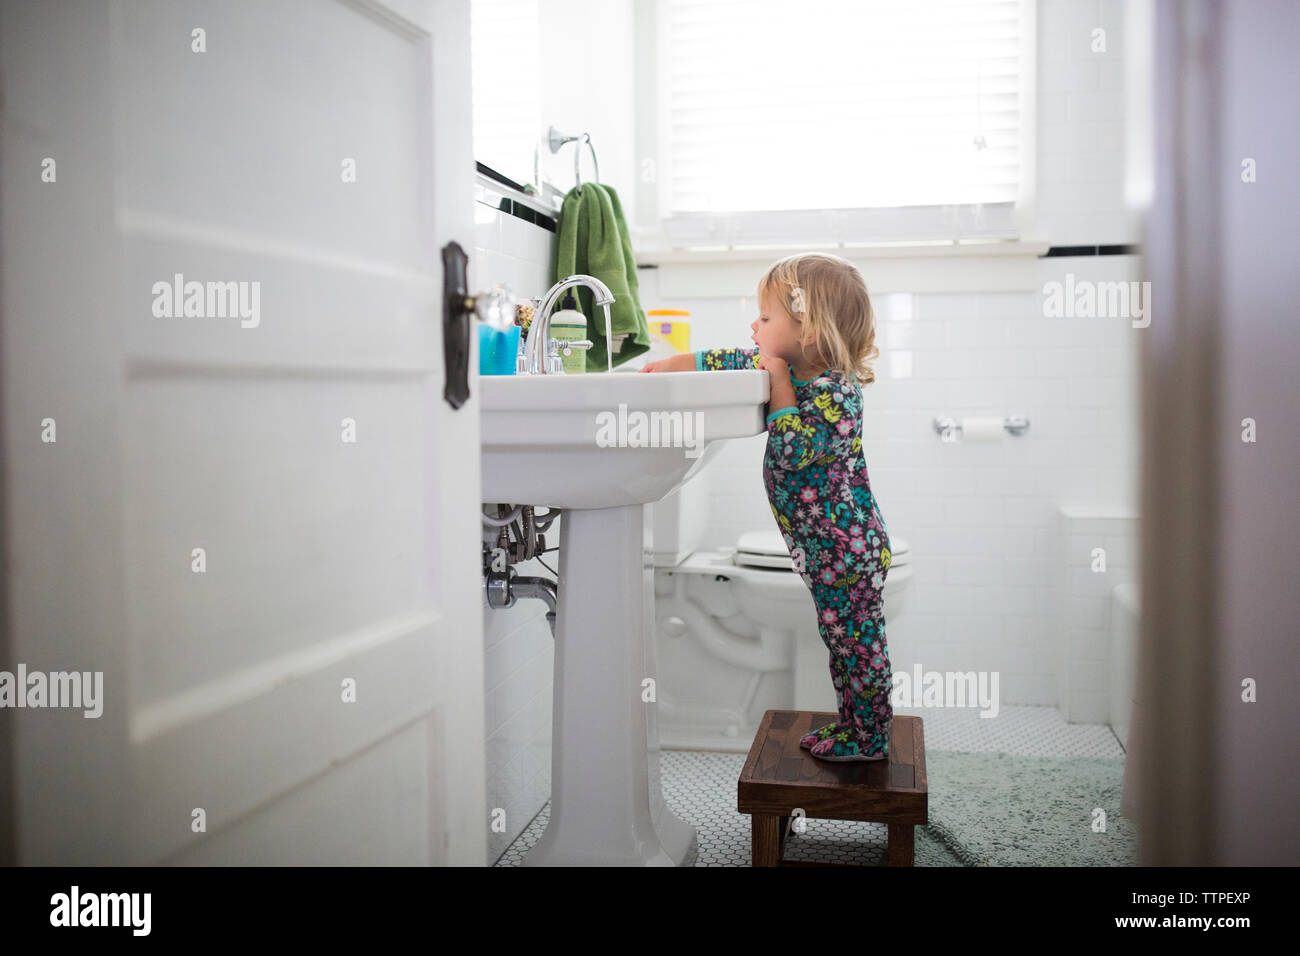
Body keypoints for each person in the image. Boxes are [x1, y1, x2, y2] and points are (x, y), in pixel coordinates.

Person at [640, 252, 892, 761]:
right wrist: (667, 368)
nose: (754, 325)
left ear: (810, 328)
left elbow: (791, 449)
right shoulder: (789, 369)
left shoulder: (836, 394)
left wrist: (776, 380)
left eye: (767, 317)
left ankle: (870, 738)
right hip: (822, 553)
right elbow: (726, 359)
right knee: (840, 645)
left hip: (850, 553)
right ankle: (853, 729)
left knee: (859, 649)